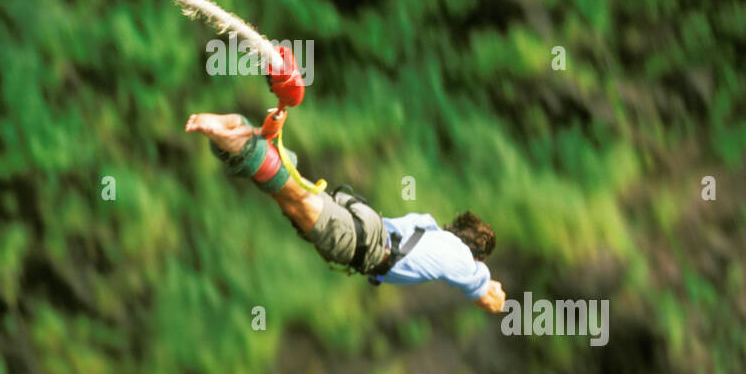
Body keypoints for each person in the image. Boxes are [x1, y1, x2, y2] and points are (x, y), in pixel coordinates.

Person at [186, 112, 506, 312]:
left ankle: (240, 136)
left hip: (361, 222)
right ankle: (236, 134)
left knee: (290, 198)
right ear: (475, 256)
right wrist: (497, 293)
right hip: (362, 243)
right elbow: (486, 296)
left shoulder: (430, 229)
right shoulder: (464, 261)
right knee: (293, 197)